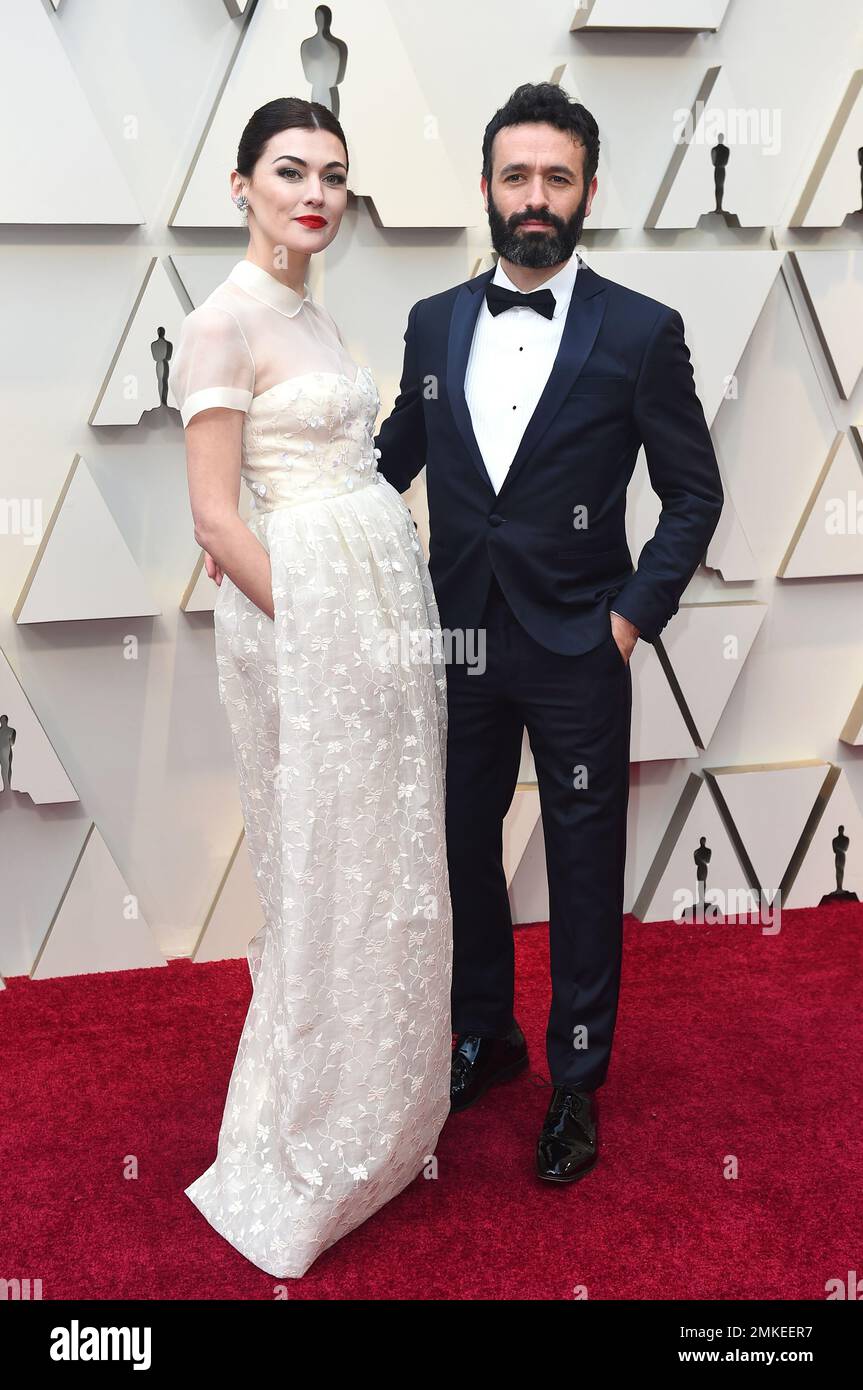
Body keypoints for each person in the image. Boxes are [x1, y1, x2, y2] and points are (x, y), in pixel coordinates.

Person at [374, 82, 724, 1184]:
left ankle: (575, 1078)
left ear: (583, 192)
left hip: (579, 640)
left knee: (580, 862)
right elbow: (392, 464)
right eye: (515, 175)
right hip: (458, 637)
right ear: (485, 186)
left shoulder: (639, 329)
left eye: (556, 178)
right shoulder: (431, 321)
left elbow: (692, 495)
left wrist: (626, 621)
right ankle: (486, 1032)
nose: (534, 197)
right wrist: (278, 527)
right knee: (460, 845)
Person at [172, 97, 453, 1278]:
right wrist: (324, 627)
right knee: (319, 867)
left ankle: (380, 1114)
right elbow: (215, 521)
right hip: (303, 636)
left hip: (373, 633)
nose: (316, 194)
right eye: (290, 171)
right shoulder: (219, 326)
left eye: (334, 175)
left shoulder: (320, 320)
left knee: (381, 858)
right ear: (240, 185)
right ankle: (304, 1133)